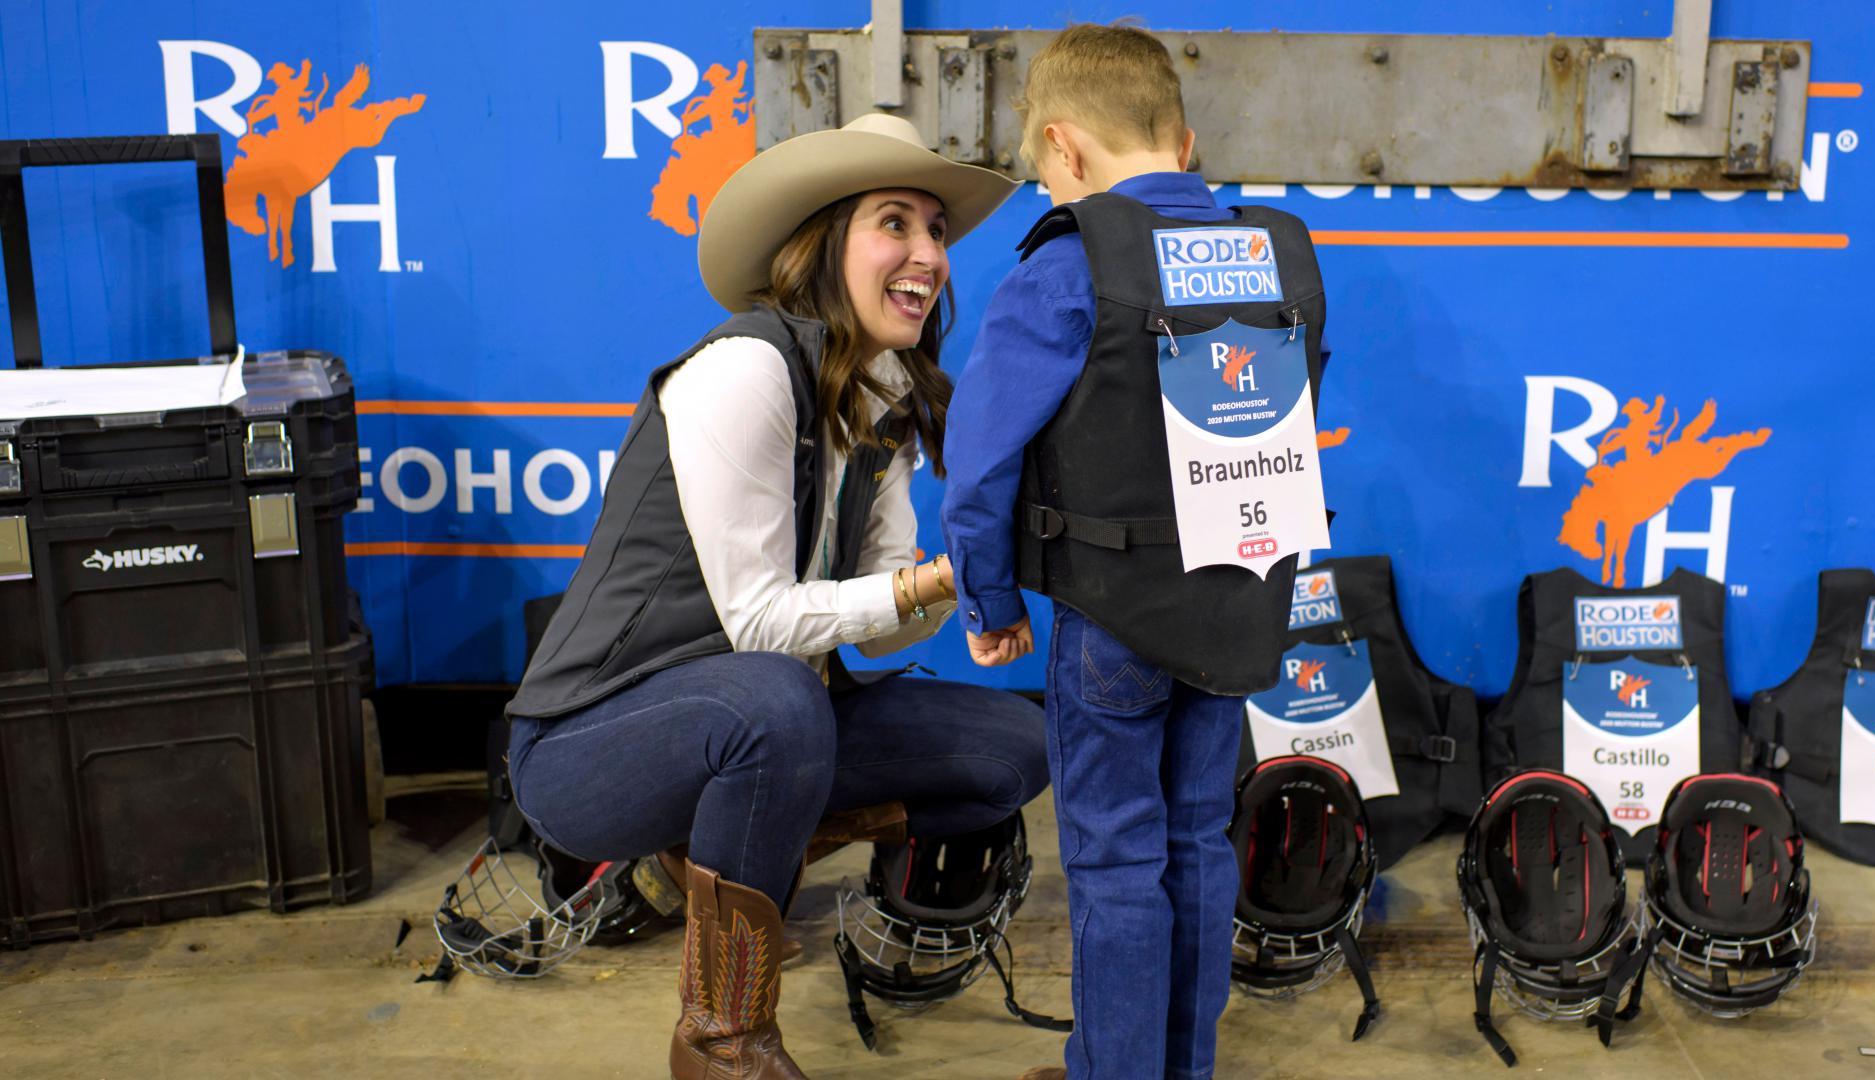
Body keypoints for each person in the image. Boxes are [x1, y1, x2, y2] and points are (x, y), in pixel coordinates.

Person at [506, 112, 1044, 1080]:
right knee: (779, 699)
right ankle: (724, 1041)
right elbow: (759, 624)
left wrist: (964, 577)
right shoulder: (746, 368)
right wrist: (925, 582)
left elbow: (877, 636)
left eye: (936, 230)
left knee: (1012, 748)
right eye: (895, 223)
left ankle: (716, 848)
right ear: (823, 242)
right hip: (583, 746)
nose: (929, 256)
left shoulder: (884, 395)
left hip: (759, 715)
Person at [942, 24, 1331, 1080]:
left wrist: (987, 600)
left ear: (1063, 147)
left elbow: (980, 462)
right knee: (1196, 839)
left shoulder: (1068, 263)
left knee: (1116, 856)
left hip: (1112, 614)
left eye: (1042, 173)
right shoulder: (1276, 256)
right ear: (1186, 143)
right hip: (1237, 606)